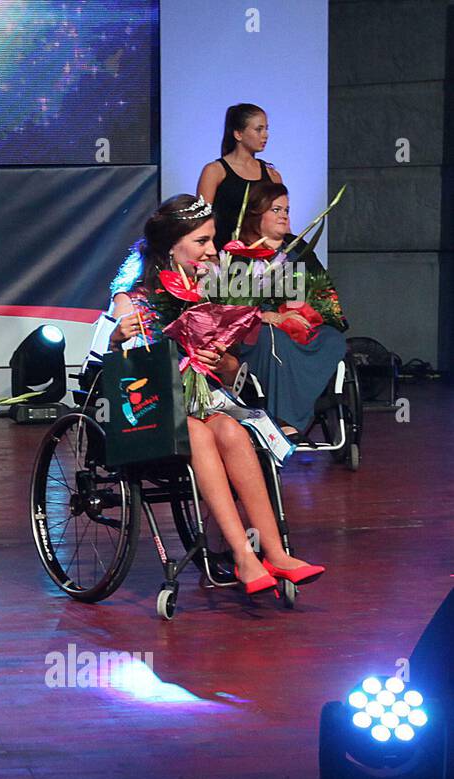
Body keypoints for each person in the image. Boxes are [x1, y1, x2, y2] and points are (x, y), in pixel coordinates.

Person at [107, 194, 324, 596]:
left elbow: (230, 372)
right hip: (148, 411)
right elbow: (117, 366)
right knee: (202, 434)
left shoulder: (212, 292)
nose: (212, 251)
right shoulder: (134, 297)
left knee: (231, 431)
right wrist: (119, 336)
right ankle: (242, 555)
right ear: (172, 245)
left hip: (202, 404)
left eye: (212, 241)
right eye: (201, 242)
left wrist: (218, 358)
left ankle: (274, 551)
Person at [233, 182, 347, 436]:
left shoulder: (299, 250)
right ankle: (284, 419)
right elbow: (228, 307)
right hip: (259, 328)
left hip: (300, 325)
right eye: (275, 210)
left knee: (333, 341)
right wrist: (265, 315)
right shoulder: (240, 254)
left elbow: (322, 291)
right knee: (273, 340)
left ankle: (297, 408)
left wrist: (308, 314)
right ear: (256, 214)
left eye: (286, 209)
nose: (284, 215)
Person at [196, 104, 284, 245]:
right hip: (224, 257)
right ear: (238, 134)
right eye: (258, 129)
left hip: (263, 258)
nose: (265, 135)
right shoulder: (214, 171)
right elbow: (201, 221)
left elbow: (281, 219)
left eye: (266, 129)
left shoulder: (273, 175)